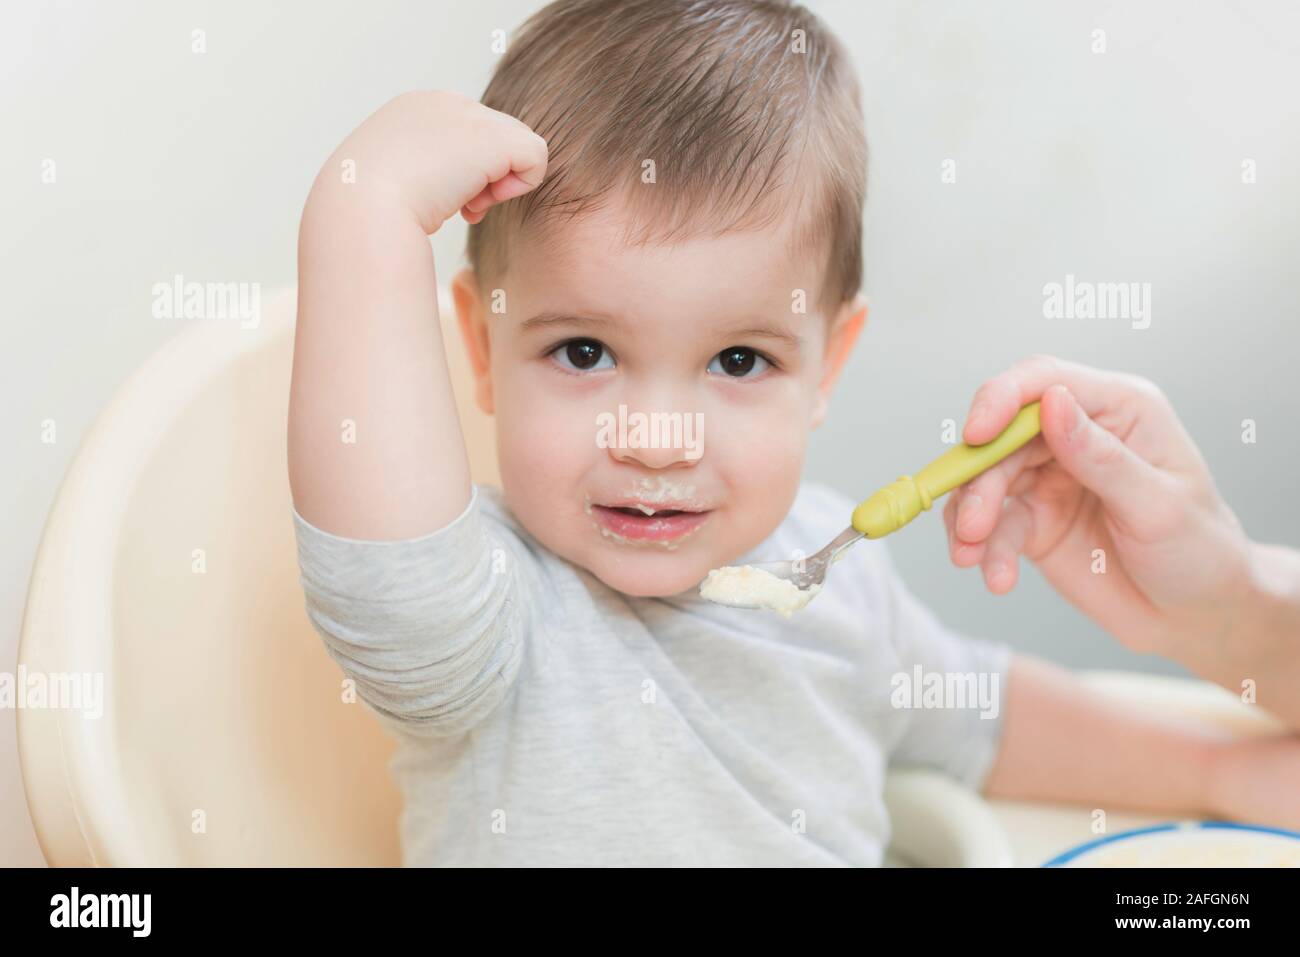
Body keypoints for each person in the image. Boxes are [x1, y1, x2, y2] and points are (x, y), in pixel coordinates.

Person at [286, 0, 1300, 865]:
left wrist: (1221, 769)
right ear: (479, 344)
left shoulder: (839, 579)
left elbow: (972, 716)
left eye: (738, 361)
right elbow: (388, 577)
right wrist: (361, 211)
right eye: (584, 352)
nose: (657, 438)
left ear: (828, 364)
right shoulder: (493, 615)